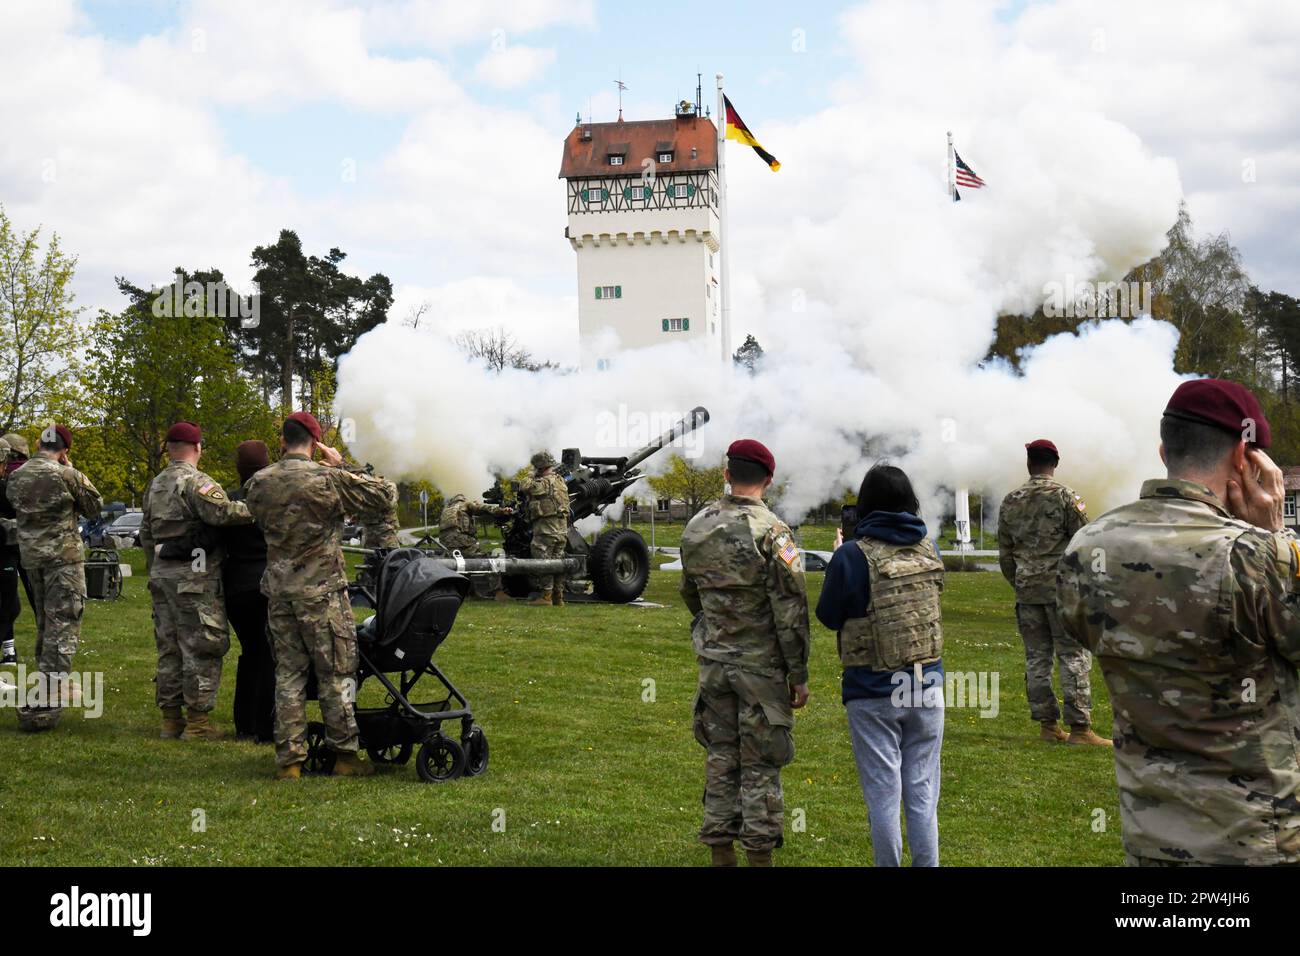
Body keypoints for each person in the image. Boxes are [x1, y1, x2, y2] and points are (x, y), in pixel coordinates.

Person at [1059, 379, 1300, 866]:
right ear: (1244, 457)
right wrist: (1277, 534)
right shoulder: (1259, 555)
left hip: (1150, 836)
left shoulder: (1087, 548)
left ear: (1164, 449)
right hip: (1258, 842)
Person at [680, 439, 810, 867]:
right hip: (761, 670)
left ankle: (721, 854)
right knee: (760, 766)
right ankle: (759, 859)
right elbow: (791, 610)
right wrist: (799, 674)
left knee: (721, 758)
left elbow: (690, 592)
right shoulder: (775, 533)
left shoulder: (695, 527)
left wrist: (716, 628)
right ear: (768, 479)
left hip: (715, 666)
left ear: (726, 473)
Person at [244, 412, 394, 780]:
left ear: (282, 441)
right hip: (323, 593)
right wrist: (346, 465)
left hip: (280, 594)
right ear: (315, 442)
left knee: (289, 676)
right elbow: (384, 496)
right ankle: (344, 755)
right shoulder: (328, 478)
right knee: (337, 673)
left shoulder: (259, 483)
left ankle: (290, 761)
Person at [816, 463, 944, 866]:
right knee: (922, 795)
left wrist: (838, 559)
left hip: (872, 692)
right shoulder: (930, 547)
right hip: (926, 686)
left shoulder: (853, 555)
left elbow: (828, 616)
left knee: (884, 797)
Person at [140, 422, 255, 740]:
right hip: (195, 579)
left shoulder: (155, 485)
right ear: (198, 448)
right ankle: (198, 724)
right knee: (201, 647)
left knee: (170, 648)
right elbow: (224, 514)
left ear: (169, 448)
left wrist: (156, 568)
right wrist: (260, 508)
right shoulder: (197, 482)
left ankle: (170, 720)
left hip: (163, 577)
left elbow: (146, 534)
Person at [998, 439, 1108, 746]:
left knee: (1037, 659)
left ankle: (1048, 726)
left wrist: (1020, 580)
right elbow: (1086, 539)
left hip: (1027, 592)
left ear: (1029, 463)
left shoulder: (1010, 500)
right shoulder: (1065, 496)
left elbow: (1005, 554)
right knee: (1073, 657)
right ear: (1055, 464)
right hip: (1062, 591)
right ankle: (1080, 730)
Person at [3, 425, 101, 713]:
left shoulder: (16, 477)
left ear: (38, 444)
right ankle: (52, 689)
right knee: (65, 622)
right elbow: (95, 507)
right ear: (64, 450)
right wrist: (71, 469)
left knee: (45, 623)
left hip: (32, 559)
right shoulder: (66, 474)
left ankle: (47, 681)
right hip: (64, 560)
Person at [222, 440, 275, 743]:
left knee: (251, 652)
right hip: (267, 583)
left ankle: (244, 722)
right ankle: (264, 723)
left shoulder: (228, 500)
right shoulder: (275, 499)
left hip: (237, 586)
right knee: (269, 654)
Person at [438, 493, 514, 600]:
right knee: (489, 560)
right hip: (462, 541)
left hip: (447, 544)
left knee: (463, 565)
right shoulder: (465, 504)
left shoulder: (446, 510)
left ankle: (470, 593)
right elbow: (482, 508)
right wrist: (501, 511)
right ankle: (498, 592)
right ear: (462, 499)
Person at [0, 433, 35, 665]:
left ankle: (9, 651)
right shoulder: (29, 473)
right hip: (21, 545)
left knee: (9, 601)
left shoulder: (10, 478)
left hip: (9, 547)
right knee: (19, 600)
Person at [520, 451, 570, 607]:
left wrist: (530, 474)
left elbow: (524, 486)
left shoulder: (543, 483)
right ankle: (558, 597)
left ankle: (546, 597)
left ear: (539, 467)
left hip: (546, 530)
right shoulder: (560, 481)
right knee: (558, 563)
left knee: (544, 562)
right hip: (561, 530)